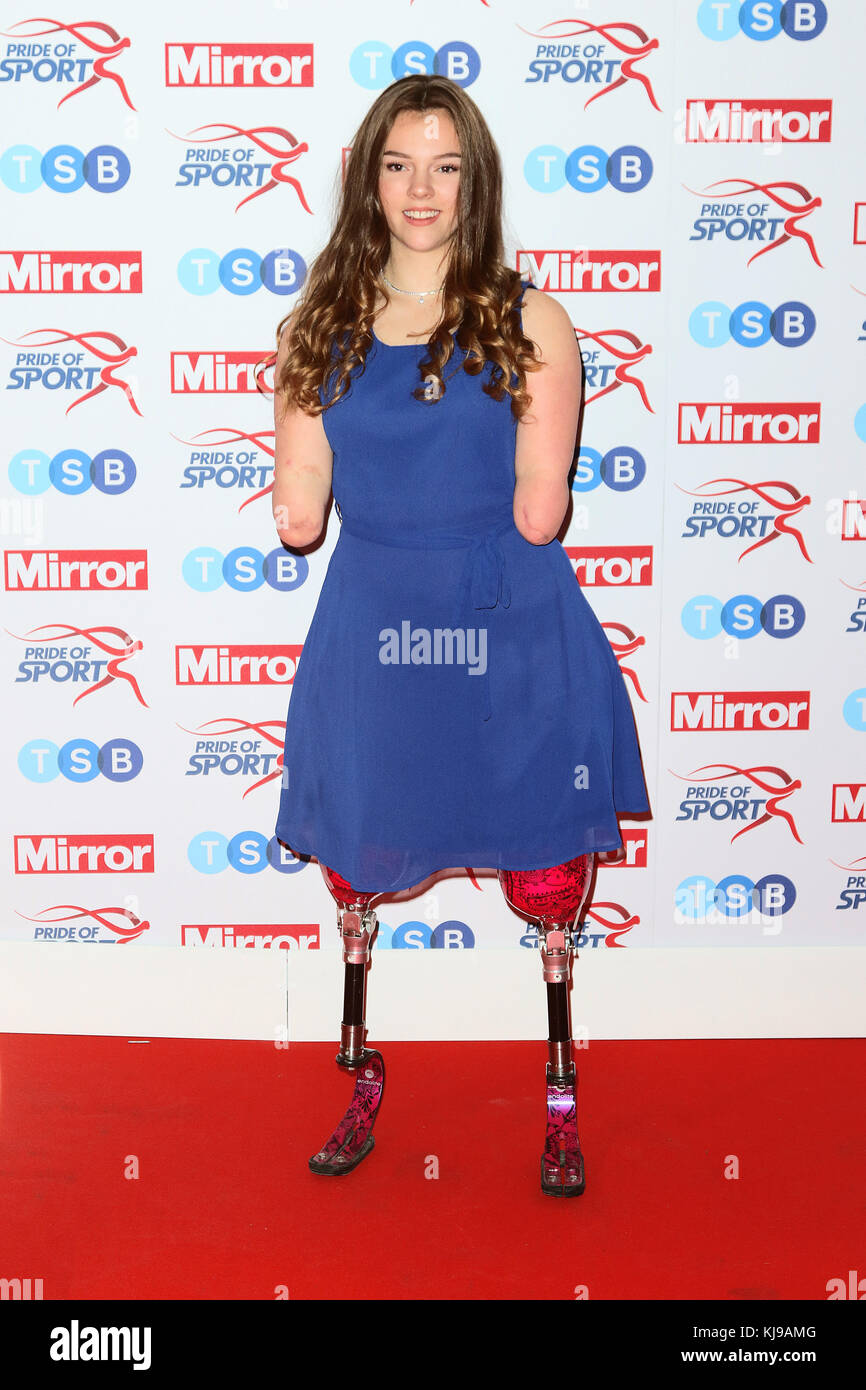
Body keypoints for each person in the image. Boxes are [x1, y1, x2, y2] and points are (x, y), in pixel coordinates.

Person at [269, 74, 650, 1195]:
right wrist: (298, 466)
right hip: (380, 636)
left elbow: (540, 510)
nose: (419, 189)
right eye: (397, 165)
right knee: (358, 863)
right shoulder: (322, 327)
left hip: (509, 628)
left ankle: (558, 1081)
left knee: (542, 878)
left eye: (443, 165)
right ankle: (366, 1064)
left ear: (473, 178)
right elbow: (299, 512)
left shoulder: (530, 319)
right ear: (365, 180)